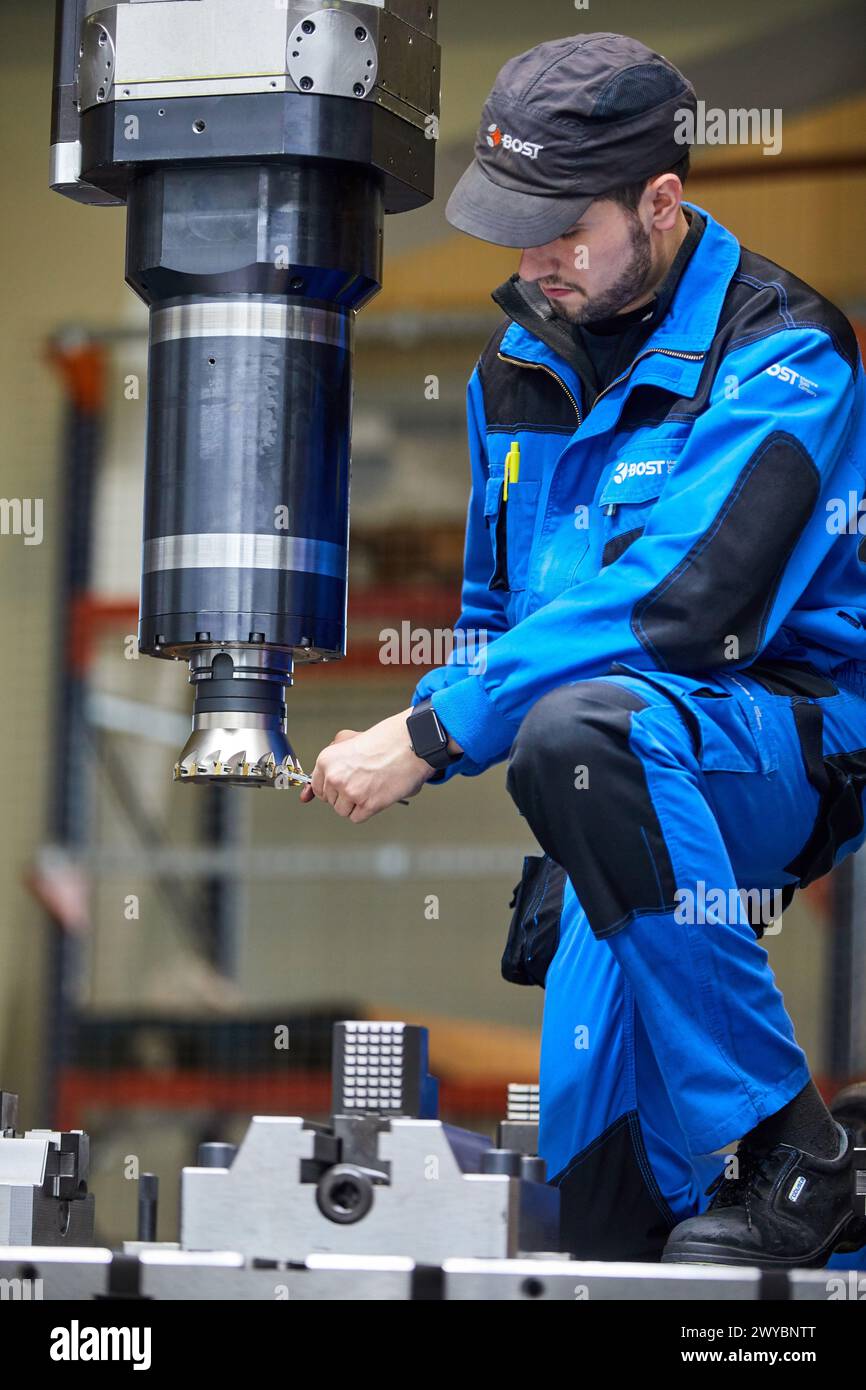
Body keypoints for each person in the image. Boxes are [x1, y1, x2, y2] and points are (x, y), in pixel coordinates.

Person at [301, 32, 866, 1266]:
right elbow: (501, 619)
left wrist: (436, 731)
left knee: (578, 737)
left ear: (660, 203)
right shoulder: (512, 367)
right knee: (604, 1209)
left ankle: (797, 1150)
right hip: (616, 758)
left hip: (793, 734)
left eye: (565, 228)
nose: (533, 261)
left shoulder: (784, 353)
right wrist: (425, 713)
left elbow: (683, 607)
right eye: (516, 225)